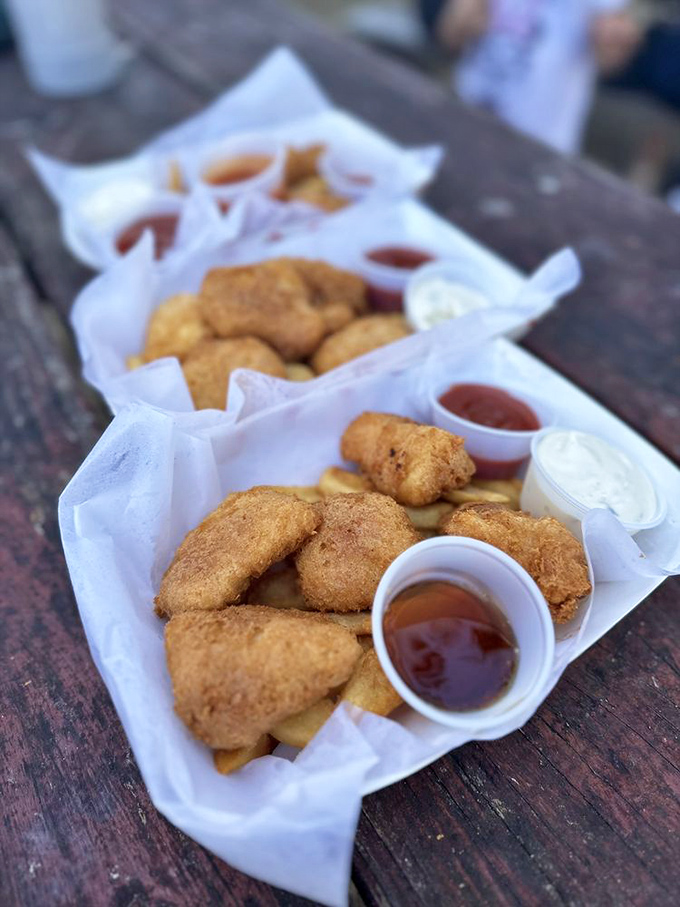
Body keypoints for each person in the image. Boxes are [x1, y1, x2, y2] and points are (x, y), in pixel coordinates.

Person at [419, 0, 642, 153]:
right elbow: (450, 37)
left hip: (541, 147)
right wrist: (457, 20)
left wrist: (613, 40)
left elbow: (612, 54)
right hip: (465, 119)